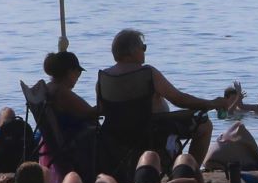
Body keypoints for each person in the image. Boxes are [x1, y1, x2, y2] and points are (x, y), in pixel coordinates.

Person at [97, 28, 232, 169]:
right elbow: (179, 100)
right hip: (152, 133)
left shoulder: (104, 78)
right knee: (204, 125)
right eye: (143, 47)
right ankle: (189, 171)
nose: (144, 51)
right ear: (133, 51)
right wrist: (211, 104)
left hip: (116, 138)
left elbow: (101, 110)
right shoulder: (147, 73)